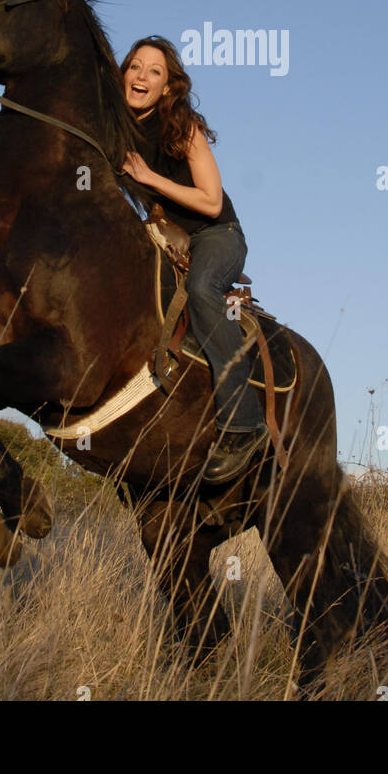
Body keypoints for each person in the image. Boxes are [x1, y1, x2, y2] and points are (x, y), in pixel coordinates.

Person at [119, 36, 268, 483]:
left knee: (202, 289)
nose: (141, 76)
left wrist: (147, 178)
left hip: (217, 234)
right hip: (169, 236)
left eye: (154, 71)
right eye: (135, 67)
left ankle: (244, 424)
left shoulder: (183, 128)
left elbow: (210, 200)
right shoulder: (118, 130)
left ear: (168, 88)